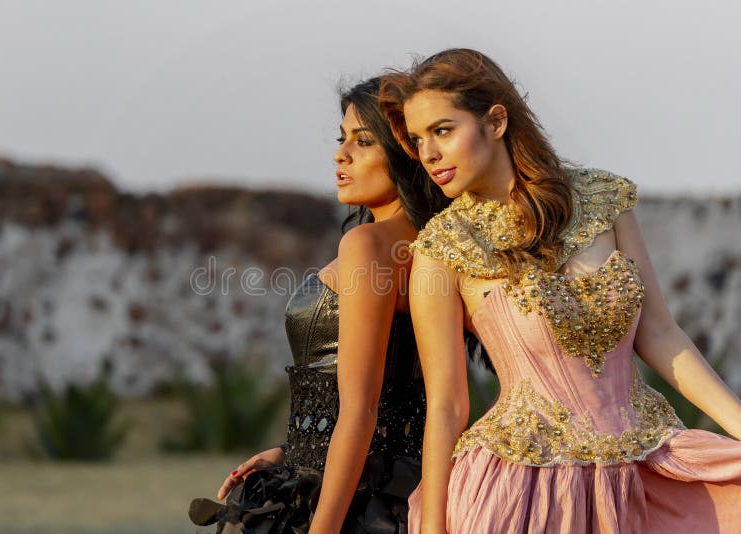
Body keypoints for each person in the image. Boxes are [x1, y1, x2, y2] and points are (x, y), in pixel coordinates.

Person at [378, 48, 741, 533]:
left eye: (442, 130)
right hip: (520, 493)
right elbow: (447, 405)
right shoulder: (442, 248)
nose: (428, 154)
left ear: (496, 121)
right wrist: (433, 528)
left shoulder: (603, 200)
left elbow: (660, 333)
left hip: (643, 470)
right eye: (419, 139)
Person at [188, 77, 450, 533]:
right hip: (389, 487)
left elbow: (361, 411)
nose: (340, 155)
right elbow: (393, 400)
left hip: (352, 502)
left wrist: (322, 527)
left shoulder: (366, 244)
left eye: (363, 141)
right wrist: (293, 452)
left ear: (407, 154)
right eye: (342, 138)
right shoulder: (437, 246)